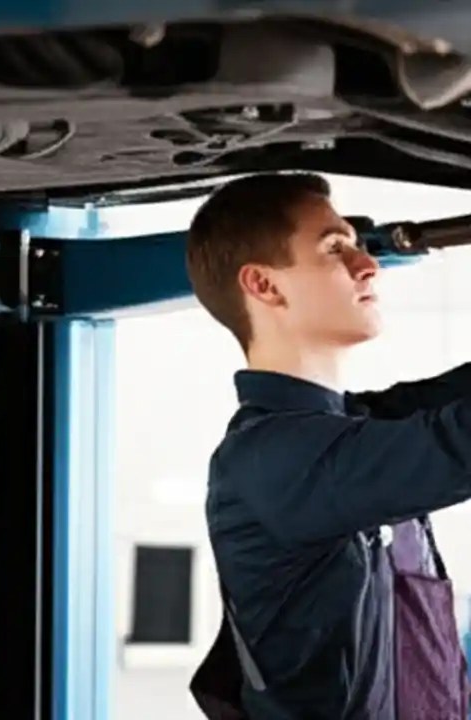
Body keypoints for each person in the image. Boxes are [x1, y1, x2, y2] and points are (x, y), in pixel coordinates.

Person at [184, 172, 471, 719]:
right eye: (335, 248)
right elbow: (456, 444)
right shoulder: (272, 459)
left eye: (358, 246)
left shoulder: (351, 429)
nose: (368, 265)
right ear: (265, 286)